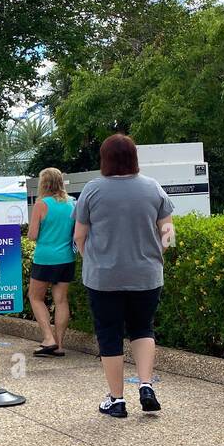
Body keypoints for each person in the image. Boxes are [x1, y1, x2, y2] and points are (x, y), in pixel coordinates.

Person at [73, 134, 175, 417]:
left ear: (104, 159)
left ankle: (116, 400)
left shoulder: (93, 190)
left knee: (109, 334)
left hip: (103, 277)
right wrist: (156, 257)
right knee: (143, 328)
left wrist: (92, 259)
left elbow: (79, 236)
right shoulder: (153, 188)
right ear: (134, 157)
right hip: (146, 275)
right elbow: (168, 233)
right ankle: (146, 385)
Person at [28, 167, 76, 357]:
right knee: (61, 300)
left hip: (45, 258)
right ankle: (60, 345)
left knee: (35, 297)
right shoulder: (72, 203)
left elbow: (32, 235)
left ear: (44, 183)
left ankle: (48, 338)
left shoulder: (41, 204)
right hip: (67, 258)